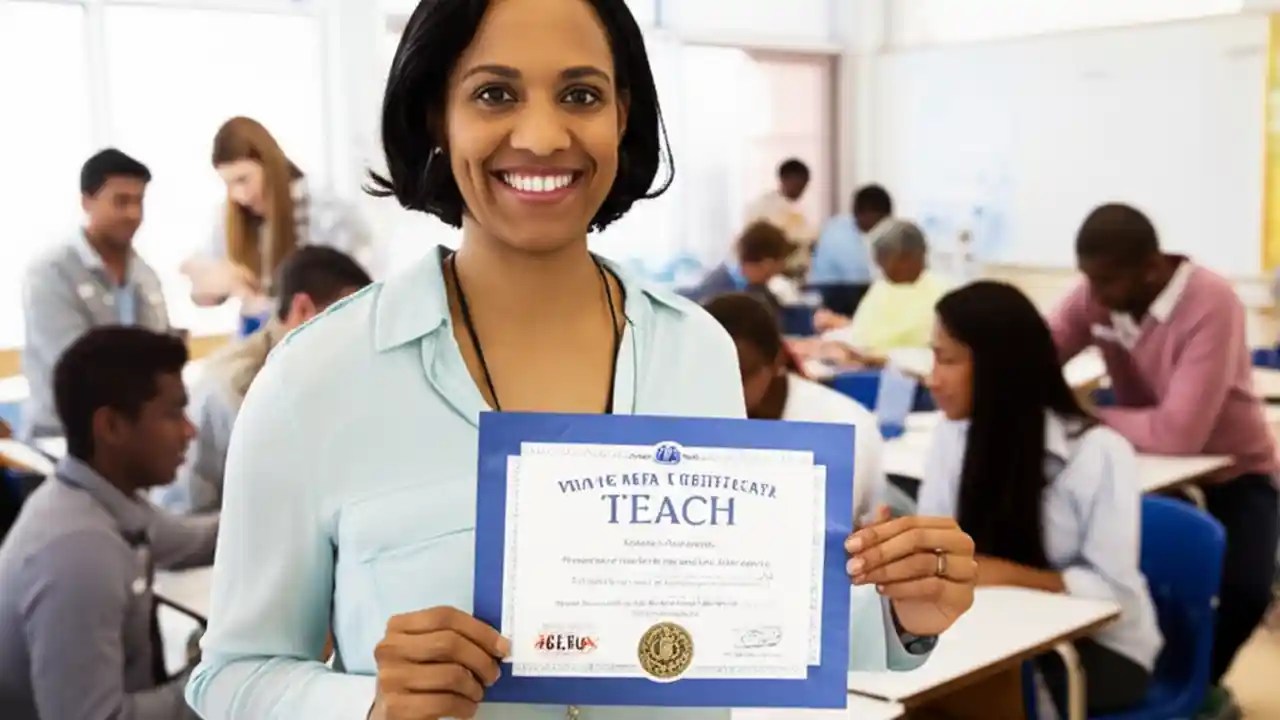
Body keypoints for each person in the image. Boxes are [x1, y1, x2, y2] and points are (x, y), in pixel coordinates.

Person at [186, 1, 978, 718]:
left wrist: (905, 611)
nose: (541, 135)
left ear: (622, 116)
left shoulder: (696, 349)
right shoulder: (315, 379)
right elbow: (232, 674)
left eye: (581, 94)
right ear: (436, 114)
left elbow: (731, 620)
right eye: (494, 93)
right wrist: (367, 707)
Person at [1049, 203, 1279, 720]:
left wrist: (1087, 415)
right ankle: (1159, 680)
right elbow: (1038, 353)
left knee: (1245, 589)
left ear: (1151, 268)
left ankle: (1199, 685)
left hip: (1236, 469)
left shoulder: (1211, 301)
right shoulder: (1099, 291)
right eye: (1088, 280)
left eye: (1107, 282)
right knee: (1137, 587)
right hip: (1143, 470)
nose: (1095, 296)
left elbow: (1180, 432)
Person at [920, 281, 1162, 716]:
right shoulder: (951, 436)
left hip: (1095, 647)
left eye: (947, 359)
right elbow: (938, 544)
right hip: (990, 630)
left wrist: (1004, 574)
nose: (931, 378)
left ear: (997, 368)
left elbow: (1114, 595)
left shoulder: (1097, 453)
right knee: (917, 681)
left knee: (961, 697)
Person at [0, 327, 217, 720]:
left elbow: (198, 541)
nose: (190, 431)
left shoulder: (102, 502)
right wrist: (214, 682)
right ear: (111, 427)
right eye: (173, 413)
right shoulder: (76, 550)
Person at [154, 247, 373, 515]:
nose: (358, 338)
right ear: (302, 309)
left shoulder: (329, 381)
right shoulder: (230, 391)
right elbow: (181, 519)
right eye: (349, 320)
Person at [20, 149, 172, 440]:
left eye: (139, 201)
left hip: (129, 439)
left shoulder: (144, 275)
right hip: (60, 439)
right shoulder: (50, 272)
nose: (133, 214)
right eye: (121, 201)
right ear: (87, 201)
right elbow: (74, 366)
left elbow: (159, 354)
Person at [703, 292, 887, 521]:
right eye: (709, 377)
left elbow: (826, 534)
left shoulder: (840, 427)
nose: (723, 391)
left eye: (739, 377)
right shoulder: (694, 414)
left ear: (776, 362)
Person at [181, 116, 376, 313]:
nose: (239, 195)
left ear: (269, 166)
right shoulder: (232, 216)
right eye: (228, 184)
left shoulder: (325, 212)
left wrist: (260, 303)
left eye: (243, 179)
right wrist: (210, 280)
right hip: (262, 334)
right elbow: (202, 291)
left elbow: (354, 293)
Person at [816, 220, 949, 366]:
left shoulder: (943, 295)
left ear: (909, 257)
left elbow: (934, 356)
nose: (881, 269)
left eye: (885, 259)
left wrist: (881, 359)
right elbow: (863, 334)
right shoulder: (882, 287)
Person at [683, 221, 794, 314]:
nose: (783, 267)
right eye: (782, 261)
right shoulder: (718, 292)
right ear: (767, 263)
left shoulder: (757, 289)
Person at [808, 184, 893, 287]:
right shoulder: (840, 238)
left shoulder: (839, 224)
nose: (883, 226)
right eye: (881, 220)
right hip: (834, 295)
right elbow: (862, 281)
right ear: (865, 214)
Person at [745, 158, 818, 274]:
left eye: (804, 187)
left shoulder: (799, 209)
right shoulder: (766, 207)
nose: (801, 191)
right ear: (784, 180)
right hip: (772, 272)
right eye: (798, 186)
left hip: (795, 271)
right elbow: (771, 243)